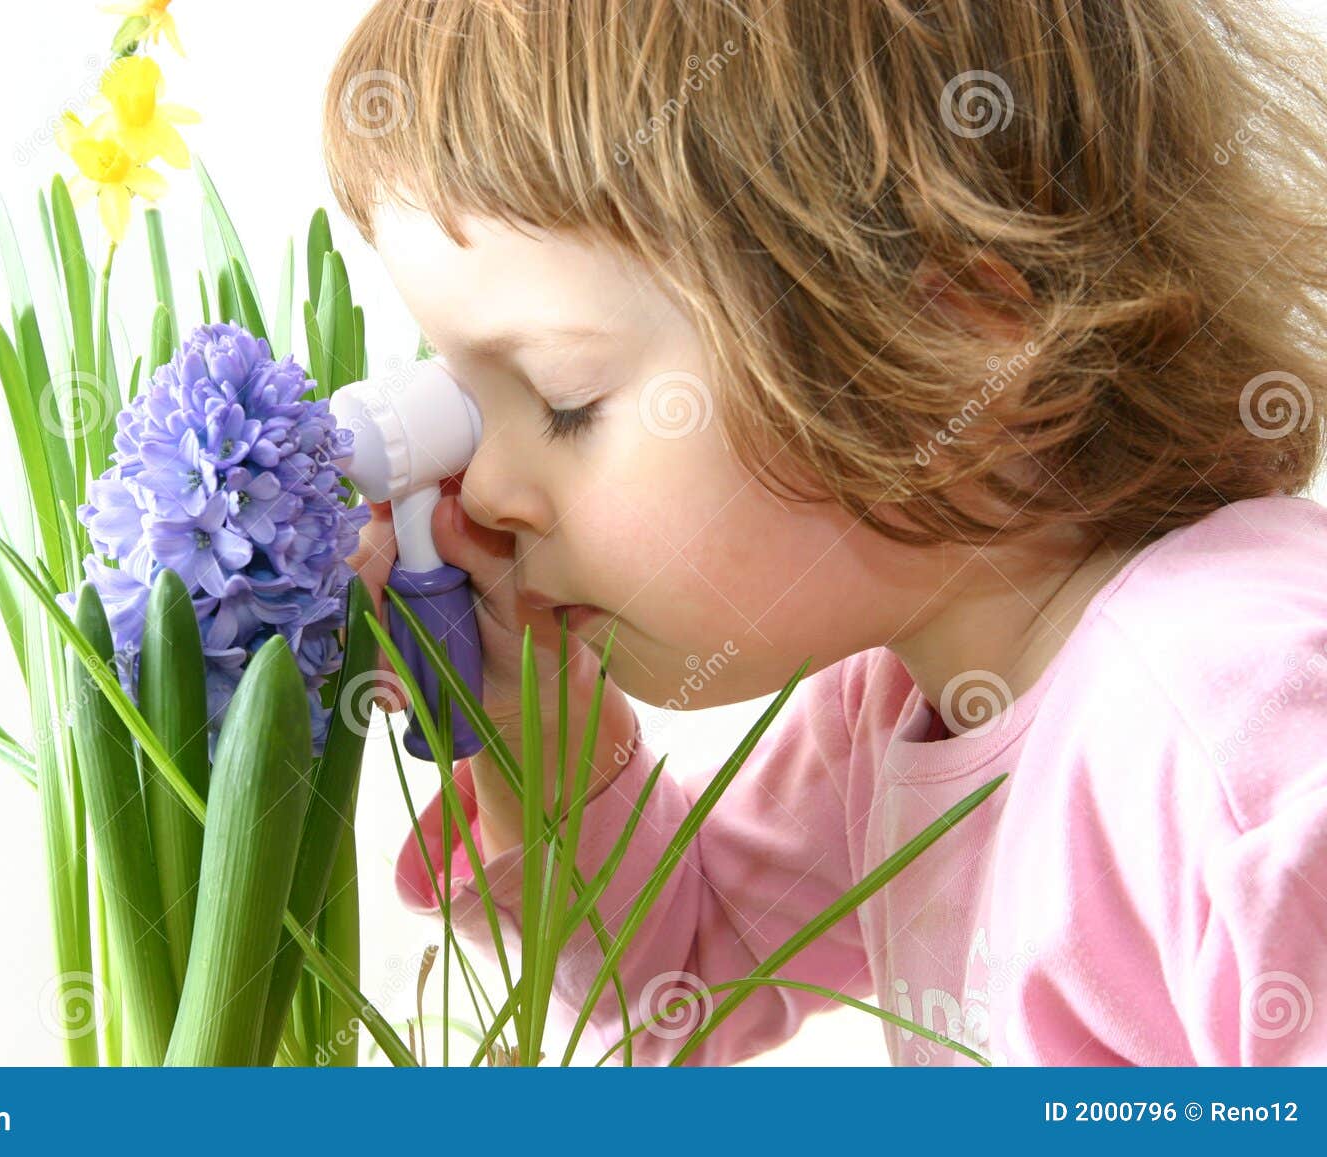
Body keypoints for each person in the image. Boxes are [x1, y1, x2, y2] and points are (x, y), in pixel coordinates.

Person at [326, 0, 1327, 1065]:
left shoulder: (1238, 726)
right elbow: (680, 988)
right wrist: (536, 725)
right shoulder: (894, 701)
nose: (483, 491)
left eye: (564, 398)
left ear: (945, 346)